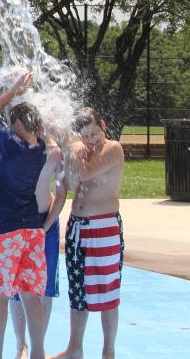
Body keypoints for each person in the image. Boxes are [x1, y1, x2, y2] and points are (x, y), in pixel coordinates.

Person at [0, 71, 51, 359]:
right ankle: (37, 353)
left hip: (5, 234)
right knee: (31, 296)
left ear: (18, 124)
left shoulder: (12, 144)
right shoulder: (43, 148)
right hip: (32, 233)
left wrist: (13, 90)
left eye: (12, 122)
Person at [48, 107, 125, 359]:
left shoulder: (113, 148)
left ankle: (108, 352)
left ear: (102, 124)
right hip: (78, 227)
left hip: (105, 226)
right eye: (85, 136)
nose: (91, 139)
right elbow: (71, 183)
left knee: (108, 291)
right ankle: (75, 349)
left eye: (93, 133)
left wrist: (68, 143)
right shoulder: (78, 149)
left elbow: (86, 172)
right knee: (78, 290)